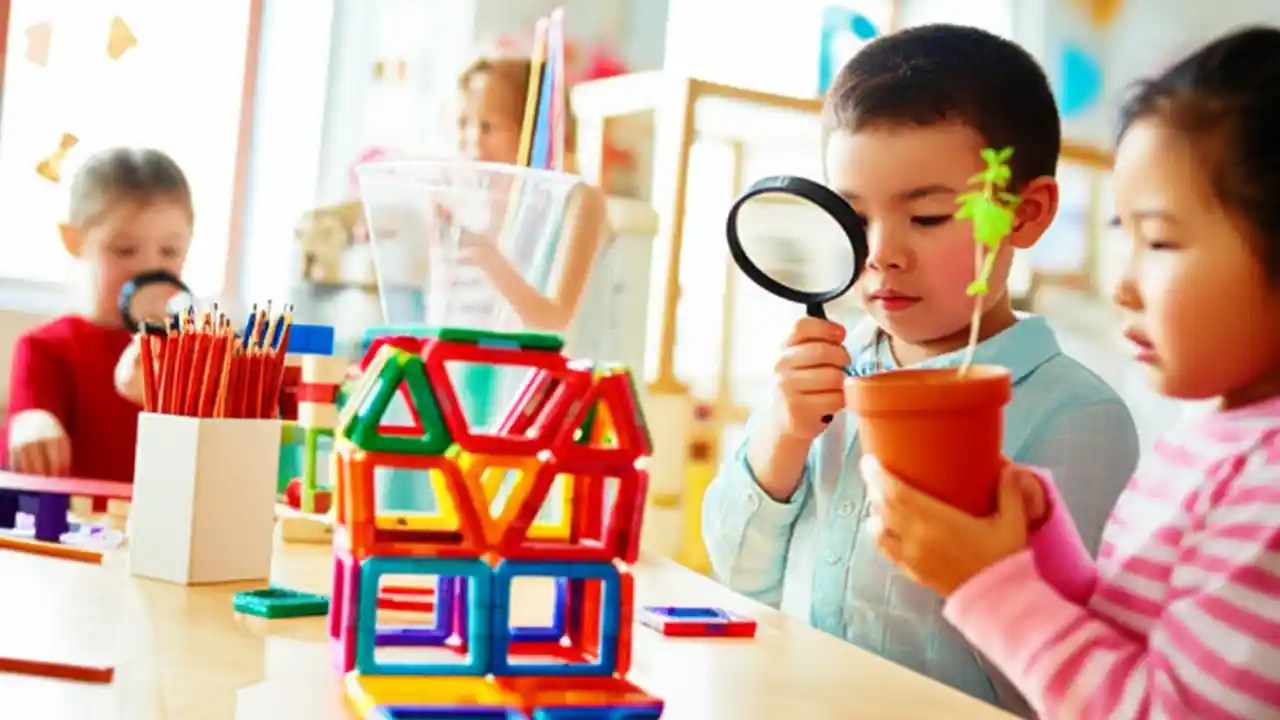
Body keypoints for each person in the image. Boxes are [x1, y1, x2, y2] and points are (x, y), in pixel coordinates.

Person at [700, 24, 1140, 714]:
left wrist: (977, 562)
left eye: (930, 216)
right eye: (852, 216)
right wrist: (781, 438)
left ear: (1024, 215)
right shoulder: (824, 375)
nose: (882, 254)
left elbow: (1061, 685)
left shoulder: (1078, 418)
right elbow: (738, 575)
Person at [864, 26, 1280, 718]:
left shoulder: (1268, 489)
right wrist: (1039, 545)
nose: (1122, 284)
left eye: (1162, 241)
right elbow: (1127, 639)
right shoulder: (1210, 436)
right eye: (1124, 234)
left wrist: (990, 584)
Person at [3, 147, 193, 484]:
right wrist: (31, 424)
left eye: (169, 251)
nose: (149, 268)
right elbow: (24, 440)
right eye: (124, 250)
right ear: (73, 240)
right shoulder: (45, 348)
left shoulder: (194, 355)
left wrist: (170, 401)